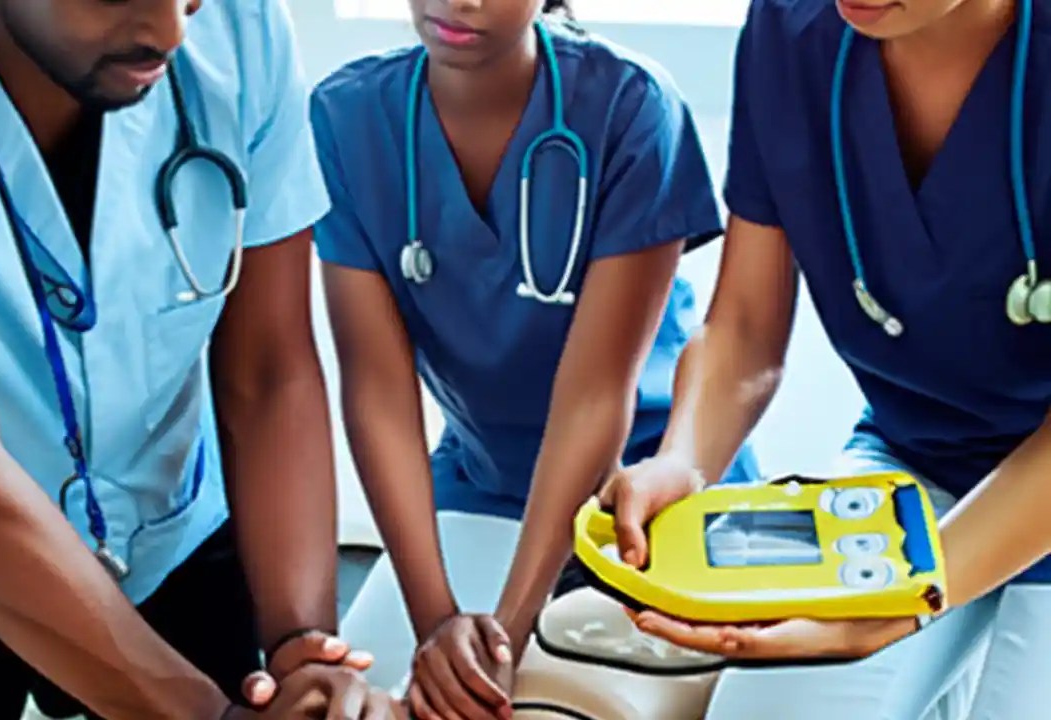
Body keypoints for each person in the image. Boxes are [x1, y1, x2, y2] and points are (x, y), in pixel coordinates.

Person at [0, 0, 399, 718]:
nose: (172, 33)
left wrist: (300, 648)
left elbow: (268, 372)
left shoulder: (239, 26)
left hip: (172, 537)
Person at [599, 0, 1051, 717]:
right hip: (919, 455)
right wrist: (682, 457)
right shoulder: (792, 26)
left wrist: (899, 608)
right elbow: (745, 325)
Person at [310, 0, 758, 717]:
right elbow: (377, 393)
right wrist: (439, 624)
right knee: (370, 695)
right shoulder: (347, 118)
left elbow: (594, 395)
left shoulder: (629, 107)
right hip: (484, 475)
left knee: (556, 703)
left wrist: (501, 641)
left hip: (644, 496)